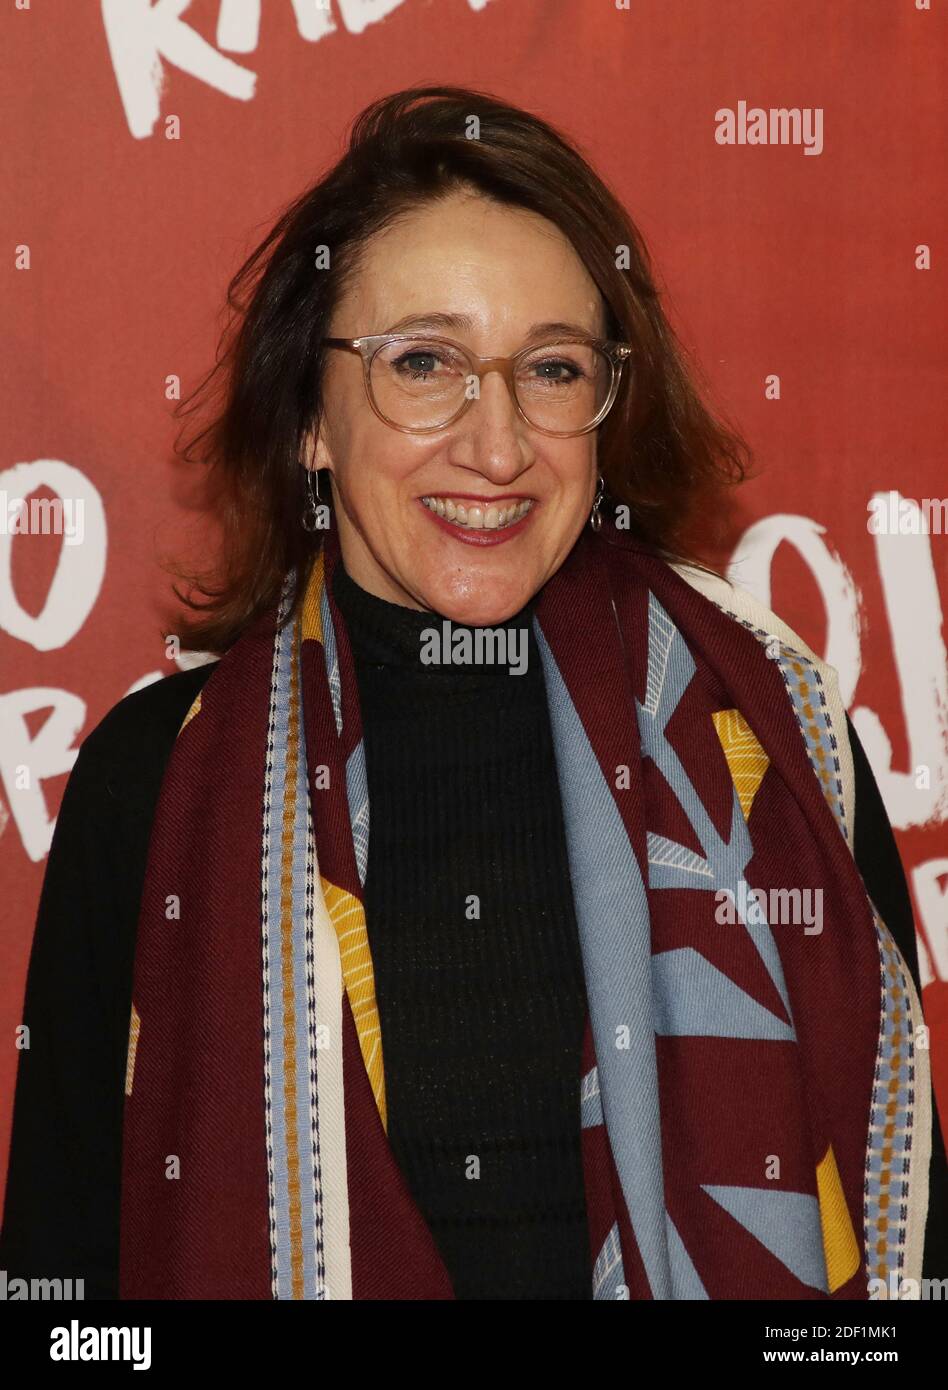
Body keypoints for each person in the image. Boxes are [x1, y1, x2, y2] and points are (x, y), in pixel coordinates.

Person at [2, 85, 943, 1301]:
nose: (496, 446)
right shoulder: (153, 778)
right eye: (425, 362)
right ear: (309, 419)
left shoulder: (781, 744)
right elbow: (60, 1294)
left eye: (551, 369)